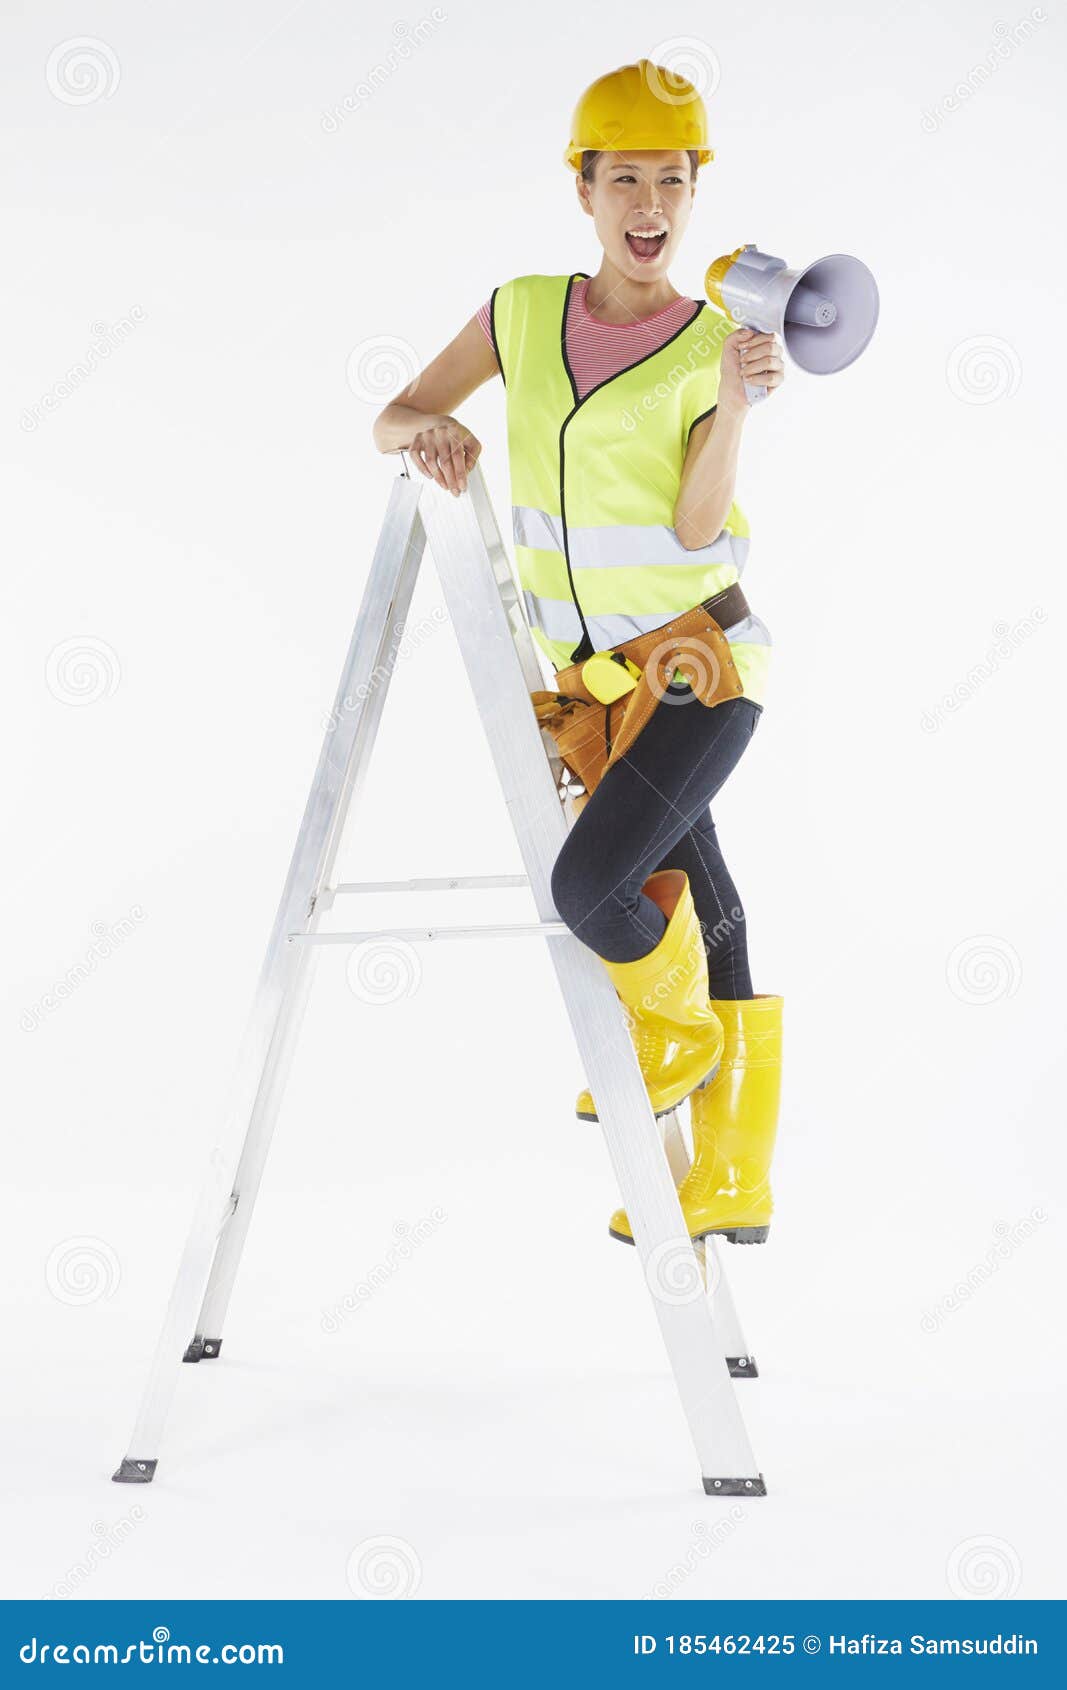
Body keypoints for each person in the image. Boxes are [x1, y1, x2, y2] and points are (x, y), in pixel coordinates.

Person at [373, 60, 785, 1247]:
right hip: (593, 693)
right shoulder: (518, 313)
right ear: (584, 189)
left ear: (693, 191)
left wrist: (735, 402)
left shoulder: (711, 342)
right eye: (625, 180)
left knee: (588, 888)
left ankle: (678, 1035)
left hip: (696, 662)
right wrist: (434, 432)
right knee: (706, 904)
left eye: (672, 181)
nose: (649, 205)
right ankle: (733, 1180)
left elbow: (696, 529)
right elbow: (394, 415)